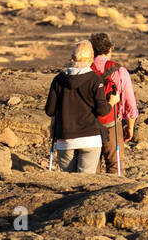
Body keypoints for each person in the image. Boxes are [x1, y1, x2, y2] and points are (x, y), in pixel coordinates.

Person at [45, 39, 116, 172]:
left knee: (68, 183)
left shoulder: (58, 79)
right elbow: (102, 111)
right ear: (90, 60)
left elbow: (50, 110)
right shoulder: (94, 80)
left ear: (72, 58)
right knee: (85, 184)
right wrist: (112, 102)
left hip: (65, 138)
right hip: (90, 139)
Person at [90, 31, 139, 173]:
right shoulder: (119, 71)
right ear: (110, 48)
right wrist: (130, 127)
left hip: (88, 124)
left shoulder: (86, 70)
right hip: (112, 124)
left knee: (91, 168)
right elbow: (130, 103)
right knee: (115, 167)